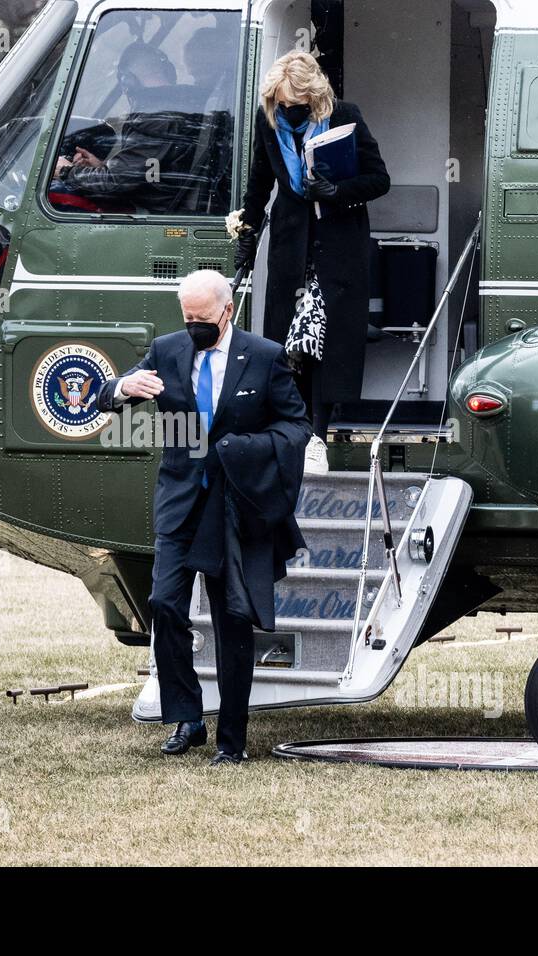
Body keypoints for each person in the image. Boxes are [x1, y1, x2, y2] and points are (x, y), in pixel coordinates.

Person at [98, 270, 310, 765]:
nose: (193, 325)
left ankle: (231, 741)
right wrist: (125, 387)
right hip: (180, 499)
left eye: (202, 318)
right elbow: (109, 395)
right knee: (163, 602)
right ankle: (187, 713)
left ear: (227, 311)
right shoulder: (168, 348)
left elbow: (296, 425)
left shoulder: (263, 356)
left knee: (233, 618)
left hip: (235, 505)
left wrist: (240, 449)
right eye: (186, 316)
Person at [234, 50, 391, 475]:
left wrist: (335, 190)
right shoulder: (270, 122)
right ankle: (299, 433)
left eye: (296, 104)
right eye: (282, 104)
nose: (289, 110)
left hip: (339, 249)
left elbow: (379, 179)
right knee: (290, 345)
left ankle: (316, 437)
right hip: (291, 248)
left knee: (318, 341)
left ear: (314, 95)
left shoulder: (344, 116)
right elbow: (259, 184)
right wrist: (247, 234)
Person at [52, 42, 198, 213]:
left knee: (58, 195)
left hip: (153, 212)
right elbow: (151, 171)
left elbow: (114, 183)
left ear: (128, 81)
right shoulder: (181, 105)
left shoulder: (156, 117)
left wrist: (65, 171)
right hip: (163, 202)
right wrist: (103, 167)